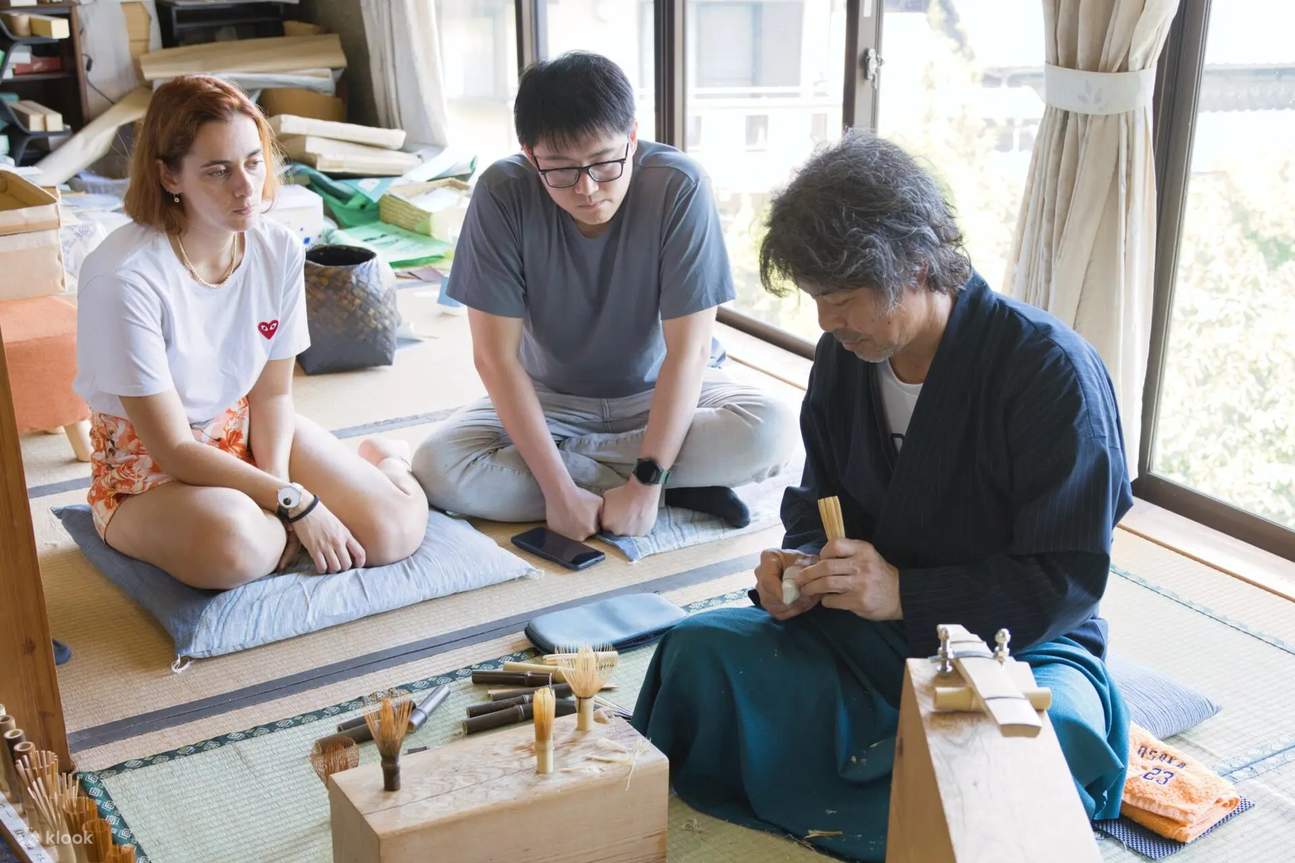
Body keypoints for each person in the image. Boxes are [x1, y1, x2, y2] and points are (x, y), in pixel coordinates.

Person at [631, 132, 1132, 860]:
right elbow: (814, 503)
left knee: (1024, 747)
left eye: (840, 298)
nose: (825, 321)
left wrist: (904, 593)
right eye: (815, 299)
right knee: (695, 652)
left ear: (916, 264)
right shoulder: (845, 358)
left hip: (1014, 647)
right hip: (865, 635)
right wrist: (800, 568)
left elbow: (1067, 579)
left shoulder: (1047, 371)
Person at [412, 52, 797, 540]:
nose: (588, 189)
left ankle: (647, 480)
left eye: (604, 163)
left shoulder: (679, 185)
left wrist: (645, 482)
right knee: (439, 467)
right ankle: (678, 482)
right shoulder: (502, 192)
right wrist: (558, 492)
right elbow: (495, 360)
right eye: (561, 170)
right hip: (550, 397)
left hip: (660, 390)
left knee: (771, 431)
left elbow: (690, 353)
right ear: (530, 155)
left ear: (632, 139)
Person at [75, 75, 429, 590]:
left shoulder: (278, 248)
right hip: (147, 469)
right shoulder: (123, 277)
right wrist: (293, 503)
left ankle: (388, 461)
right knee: (238, 547)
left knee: (392, 532)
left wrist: (284, 492)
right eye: (218, 171)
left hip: (243, 433)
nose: (245, 187)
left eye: (252, 162)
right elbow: (172, 447)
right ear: (169, 177)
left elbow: (274, 393)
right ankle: (255, 517)